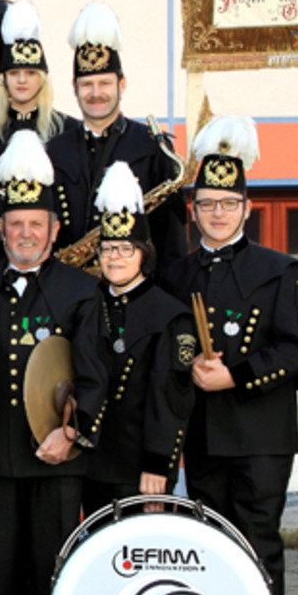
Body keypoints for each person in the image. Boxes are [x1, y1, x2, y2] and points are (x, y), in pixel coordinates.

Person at [159, 116, 298, 595]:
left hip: (258, 437)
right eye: (206, 204)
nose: (217, 213)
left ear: (246, 209)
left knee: (257, 549)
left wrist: (238, 375)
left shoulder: (278, 271)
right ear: (192, 209)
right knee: (211, 554)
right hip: (201, 437)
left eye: (228, 204)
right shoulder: (176, 275)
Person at [0, 131, 108, 595]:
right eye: (15, 224)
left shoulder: (81, 290)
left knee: (52, 565)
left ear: (54, 230)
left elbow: (94, 374)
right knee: (4, 568)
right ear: (2, 229)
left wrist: (71, 433)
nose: (26, 233)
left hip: (55, 454)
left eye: (36, 224)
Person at [75, 162, 195, 516]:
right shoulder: (85, 304)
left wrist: (159, 463)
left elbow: (172, 397)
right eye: (108, 249)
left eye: (126, 249)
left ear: (144, 254)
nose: (115, 258)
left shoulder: (170, 315)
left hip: (142, 467)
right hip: (90, 459)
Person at [48, 3, 186, 259]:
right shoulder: (54, 151)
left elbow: (172, 241)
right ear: (74, 87)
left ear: (122, 84)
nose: (96, 93)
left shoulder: (152, 147)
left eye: (105, 83)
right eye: (87, 84)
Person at [0, 2, 78, 164]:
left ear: (42, 77)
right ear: (4, 79)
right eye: (14, 73)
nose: (22, 80)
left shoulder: (67, 129)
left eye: (30, 73)